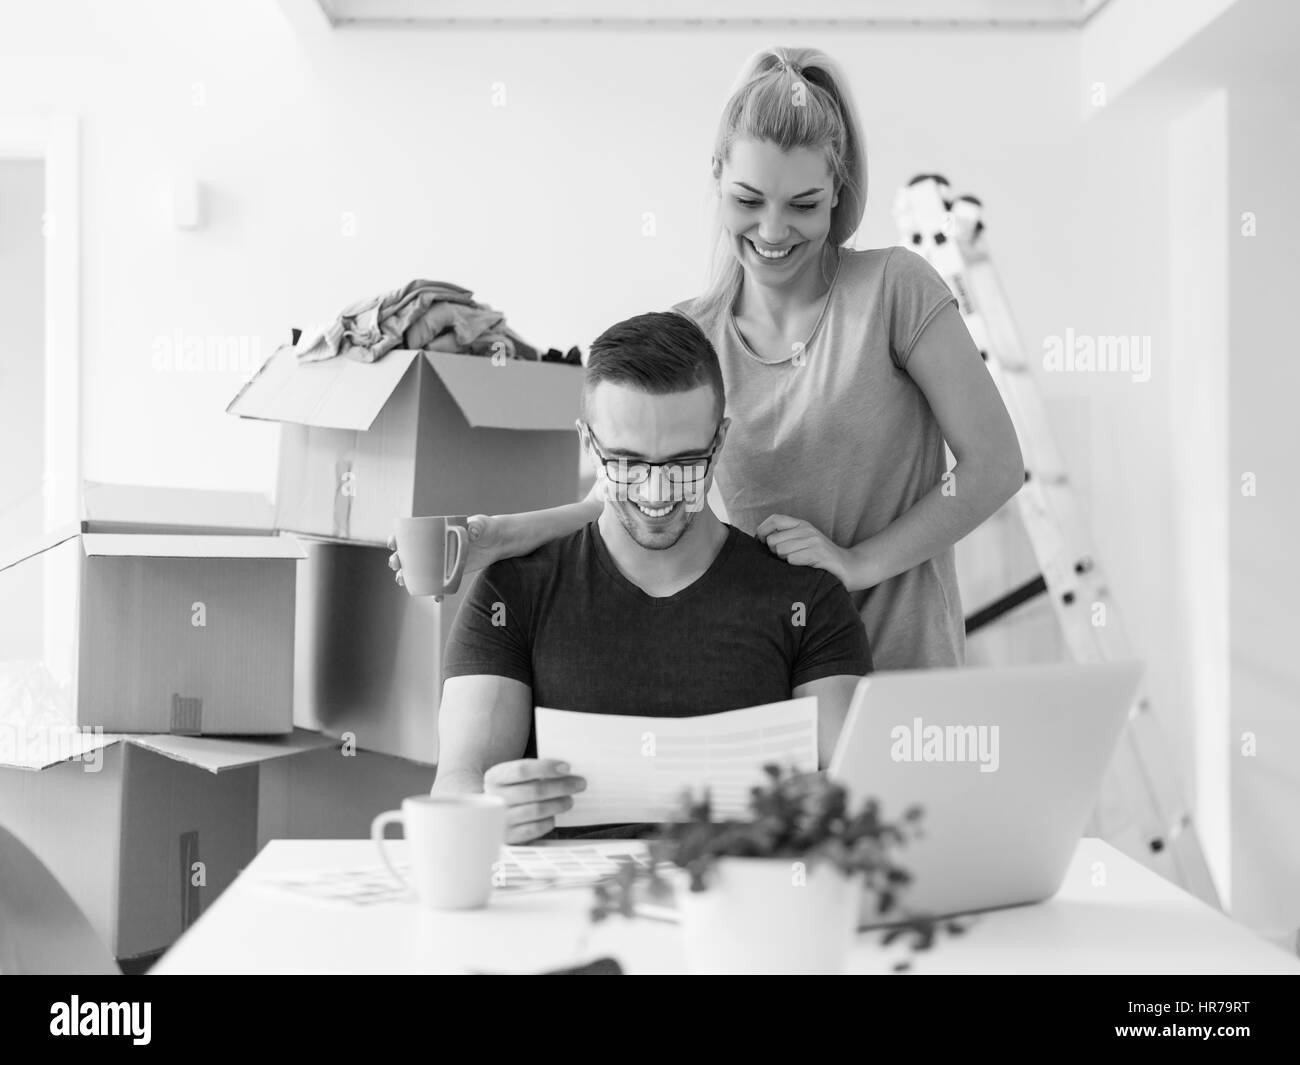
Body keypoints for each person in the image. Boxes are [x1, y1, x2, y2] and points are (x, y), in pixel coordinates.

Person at [390, 45, 1023, 672]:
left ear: (837, 191)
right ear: (716, 176)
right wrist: (489, 539)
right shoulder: (692, 334)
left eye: (802, 204)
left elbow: (995, 465)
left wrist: (858, 563)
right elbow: (617, 500)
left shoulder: (893, 290)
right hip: (771, 677)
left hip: (901, 675)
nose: (773, 232)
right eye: (749, 200)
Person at [429, 312, 871, 843]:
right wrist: (488, 808)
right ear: (589, 445)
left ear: (720, 440)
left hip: (741, 899)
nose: (656, 495)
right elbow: (456, 786)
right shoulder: (514, 592)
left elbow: (859, 793)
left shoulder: (806, 599)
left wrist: (819, 810)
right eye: (626, 463)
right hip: (561, 912)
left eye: (684, 463)